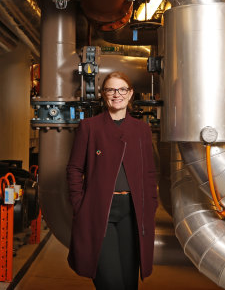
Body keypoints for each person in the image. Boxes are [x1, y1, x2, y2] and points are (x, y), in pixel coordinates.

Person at [66, 71, 158, 290]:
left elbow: (149, 173)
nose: (117, 94)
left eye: (122, 89)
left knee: (128, 283)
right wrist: (81, 205)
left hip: (132, 213)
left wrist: (151, 205)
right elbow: (74, 169)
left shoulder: (141, 129)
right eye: (110, 89)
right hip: (99, 212)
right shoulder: (90, 127)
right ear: (103, 94)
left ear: (130, 93)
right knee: (111, 282)